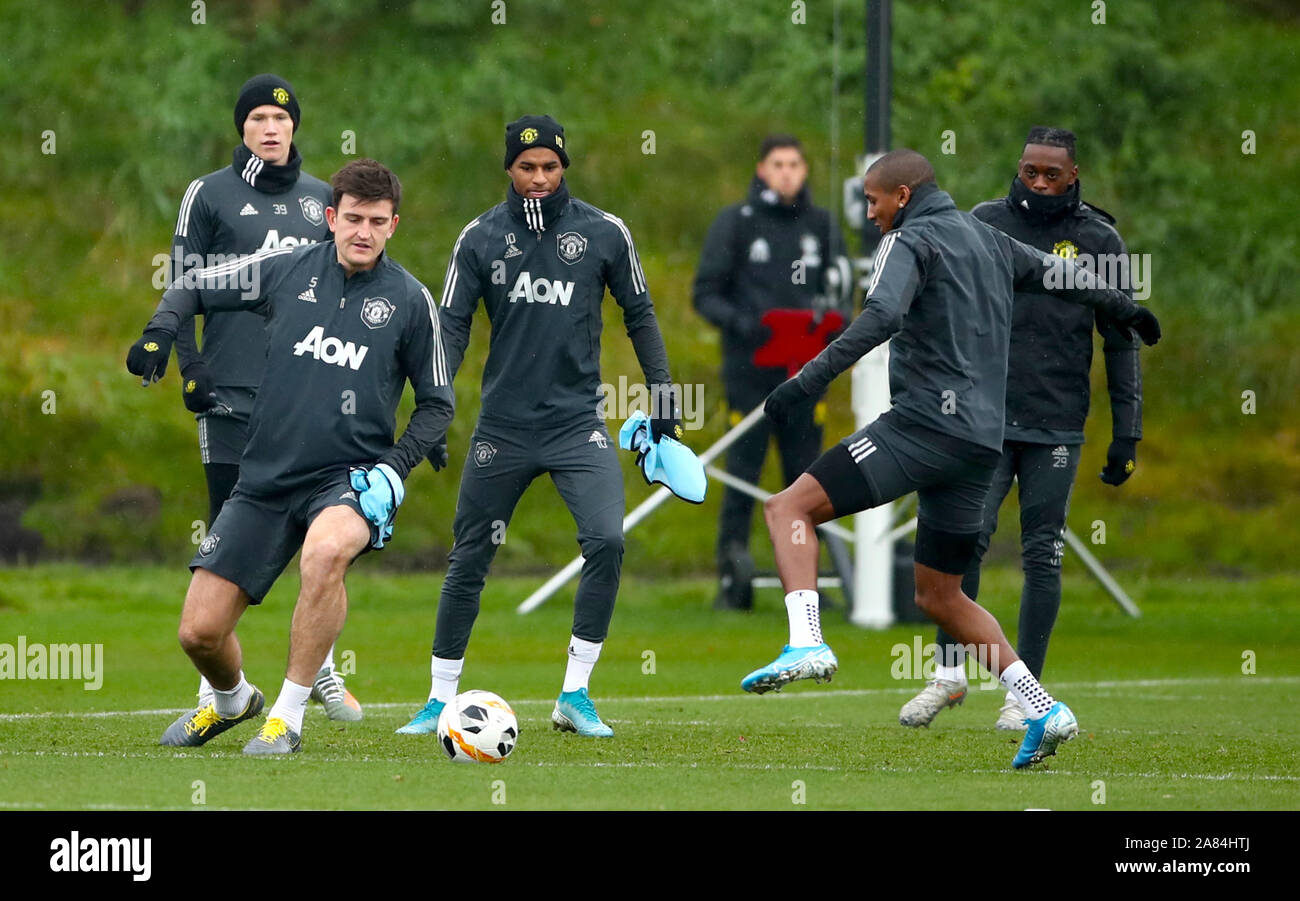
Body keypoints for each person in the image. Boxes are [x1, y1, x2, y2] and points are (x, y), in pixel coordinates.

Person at [740, 149, 1160, 768]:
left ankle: (806, 642)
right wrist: (1129, 309)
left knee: (787, 508)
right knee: (942, 595)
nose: (871, 214)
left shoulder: (907, 242)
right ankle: (1044, 708)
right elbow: (1066, 276)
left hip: (924, 427)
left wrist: (805, 382)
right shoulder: (989, 239)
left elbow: (881, 316)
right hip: (981, 444)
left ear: (902, 197)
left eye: (875, 203)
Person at [127, 159, 454, 754]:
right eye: (352, 218)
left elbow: (437, 405)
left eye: (377, 222)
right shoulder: (285, 270)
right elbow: (193, 283)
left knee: (325, 552)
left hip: (348, 480)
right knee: (199, 634)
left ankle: (287, 715)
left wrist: (396, 465)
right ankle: (232, 701)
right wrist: (159, 332)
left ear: (393, 225)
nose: (363, 232)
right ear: (331, 218)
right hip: (266, 478)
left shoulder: (411, 302)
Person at [395, 115, 678, 739]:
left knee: (606, 539)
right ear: (508, 169)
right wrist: (434, 411)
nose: (540, 179)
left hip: (578, 424)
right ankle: (440, 700)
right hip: (503, 428)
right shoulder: (479, 238)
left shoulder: (604, 233)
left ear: (564, 168)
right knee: (469, 557)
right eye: (528, 168)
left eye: (551, 167)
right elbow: (453, 328)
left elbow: (640, 313)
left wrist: (663, 395)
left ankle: (575, 694)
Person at [899, 127, 1144, 731]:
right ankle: (948, 675)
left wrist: (1127, 430)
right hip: (982, 415)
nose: (1038, 183)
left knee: (1043, 551)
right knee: (962, 539)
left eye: (1051, 174)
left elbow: (1120, 341)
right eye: (1029, 171)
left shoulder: (1099, 240)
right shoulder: (982, 222)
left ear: (1074, 175)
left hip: (1056, 421)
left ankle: (1024, 693)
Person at [167, 74, 361, 721]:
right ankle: (217, 687)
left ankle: (323, 668)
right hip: (227, 392)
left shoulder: (320, 201)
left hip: (299, 398)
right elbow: (183, 278)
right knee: (229, 535)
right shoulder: (209, 195)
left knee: (318, 535)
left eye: (280, 119)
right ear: (241, 129)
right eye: (257, 120)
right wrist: (188, 363)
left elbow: (341, 296)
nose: (270, 129)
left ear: (295, 127)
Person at [692, 134, 852, 610]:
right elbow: (706, 293)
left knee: (806, 480)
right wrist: (747, 326)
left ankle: (807, 587)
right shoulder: (736, 223)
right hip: (749, 375)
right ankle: (731, 581)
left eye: (795, 164)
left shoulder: (822, 225)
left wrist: (828, 328)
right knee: (742, 473)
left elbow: (843, 292)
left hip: (806, 377)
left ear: (804, 171)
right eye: (777, 164)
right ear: (762, 170)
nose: (786, 172)